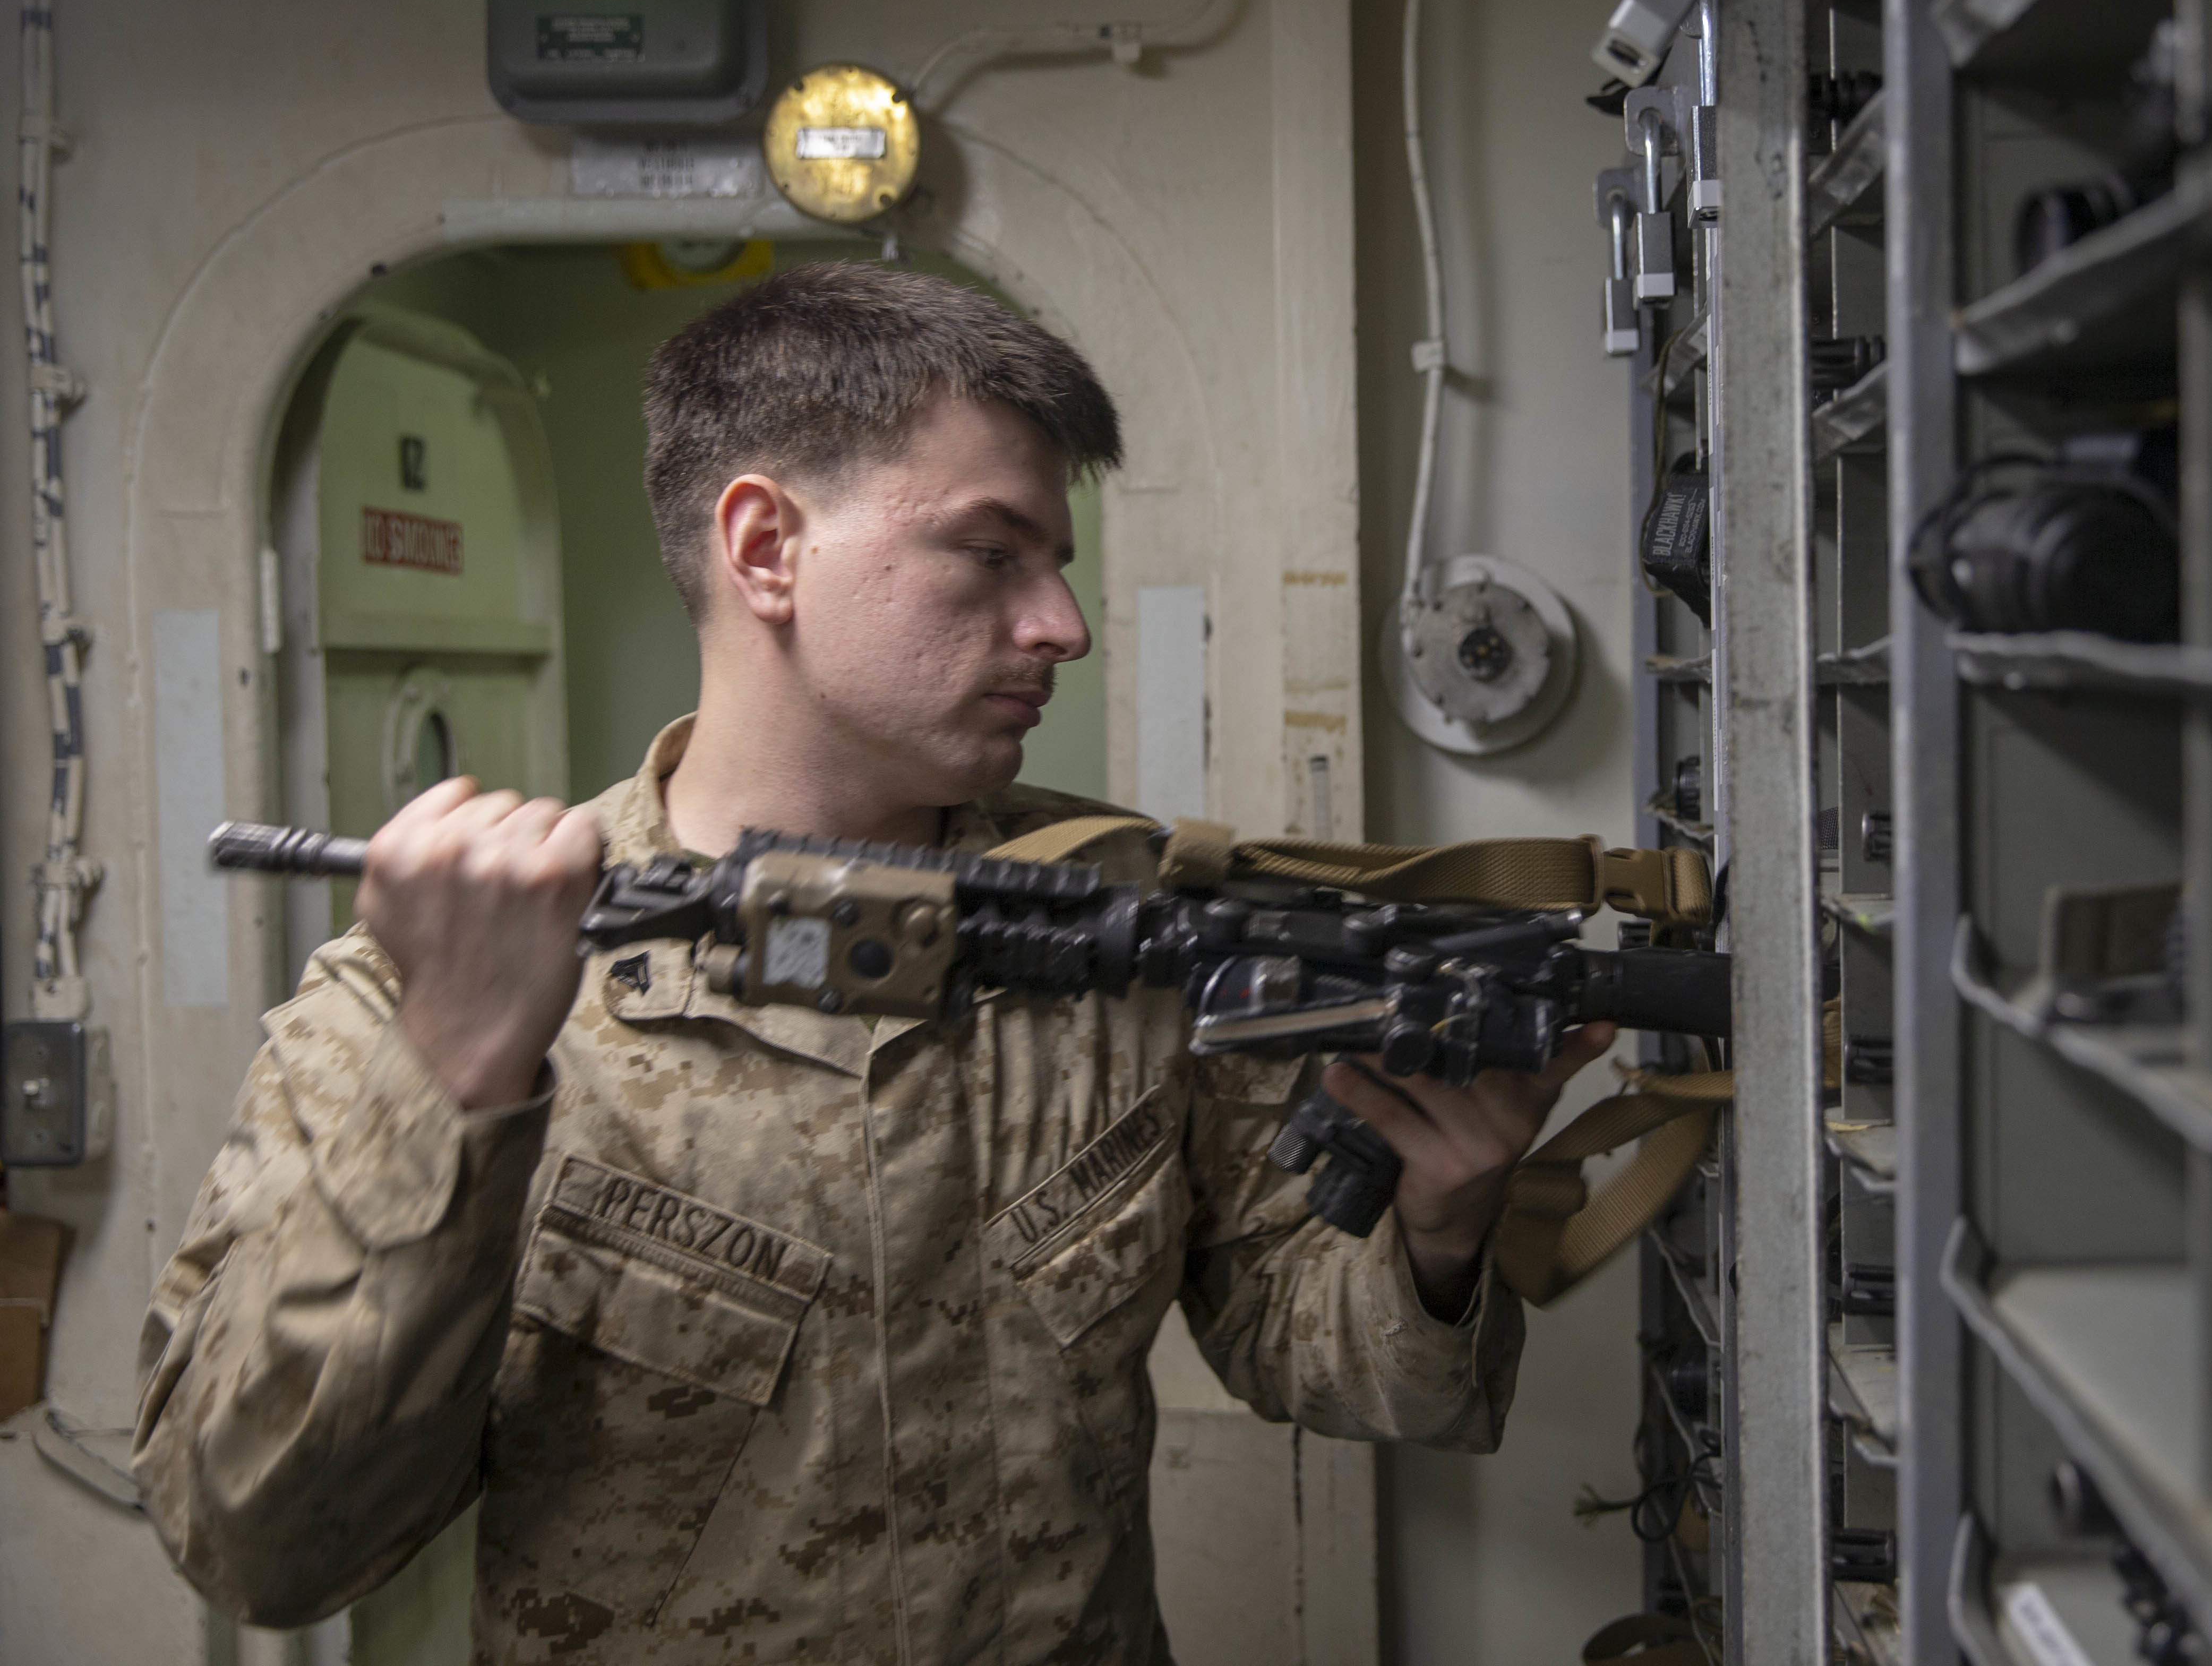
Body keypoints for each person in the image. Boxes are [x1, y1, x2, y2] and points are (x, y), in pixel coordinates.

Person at [133, 262, 1611, 1664]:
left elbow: (1307, 1345)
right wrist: (457, 1087)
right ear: (767, 547)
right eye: (989, 553)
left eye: (1059, 565)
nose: (1065, 626)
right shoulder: (428, 993)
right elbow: (267, 1543)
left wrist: (1437, 1227)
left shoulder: (1120, 925)